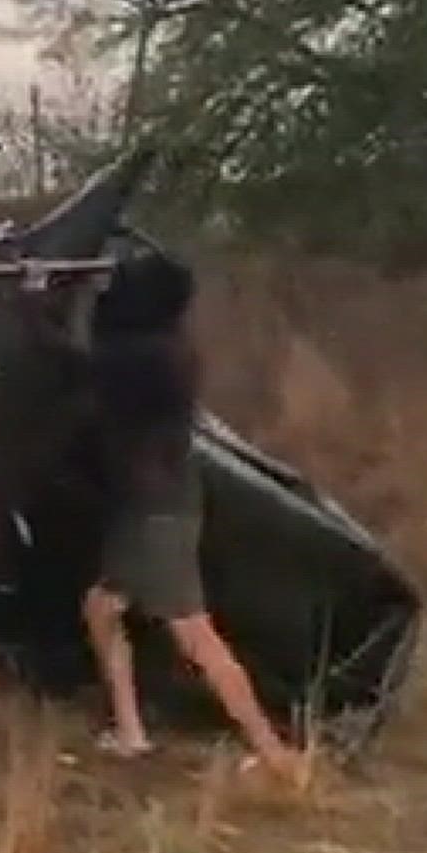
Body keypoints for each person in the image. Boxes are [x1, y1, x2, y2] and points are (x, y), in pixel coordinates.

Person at [78, 250, 309, 785]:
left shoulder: (148, 357)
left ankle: (276, 755)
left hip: (158, 513)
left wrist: (38, 305)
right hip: (149, 504)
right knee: (102, 609)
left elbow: (80, 362)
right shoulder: (160, 348)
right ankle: (132, 734)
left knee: (194, 635)